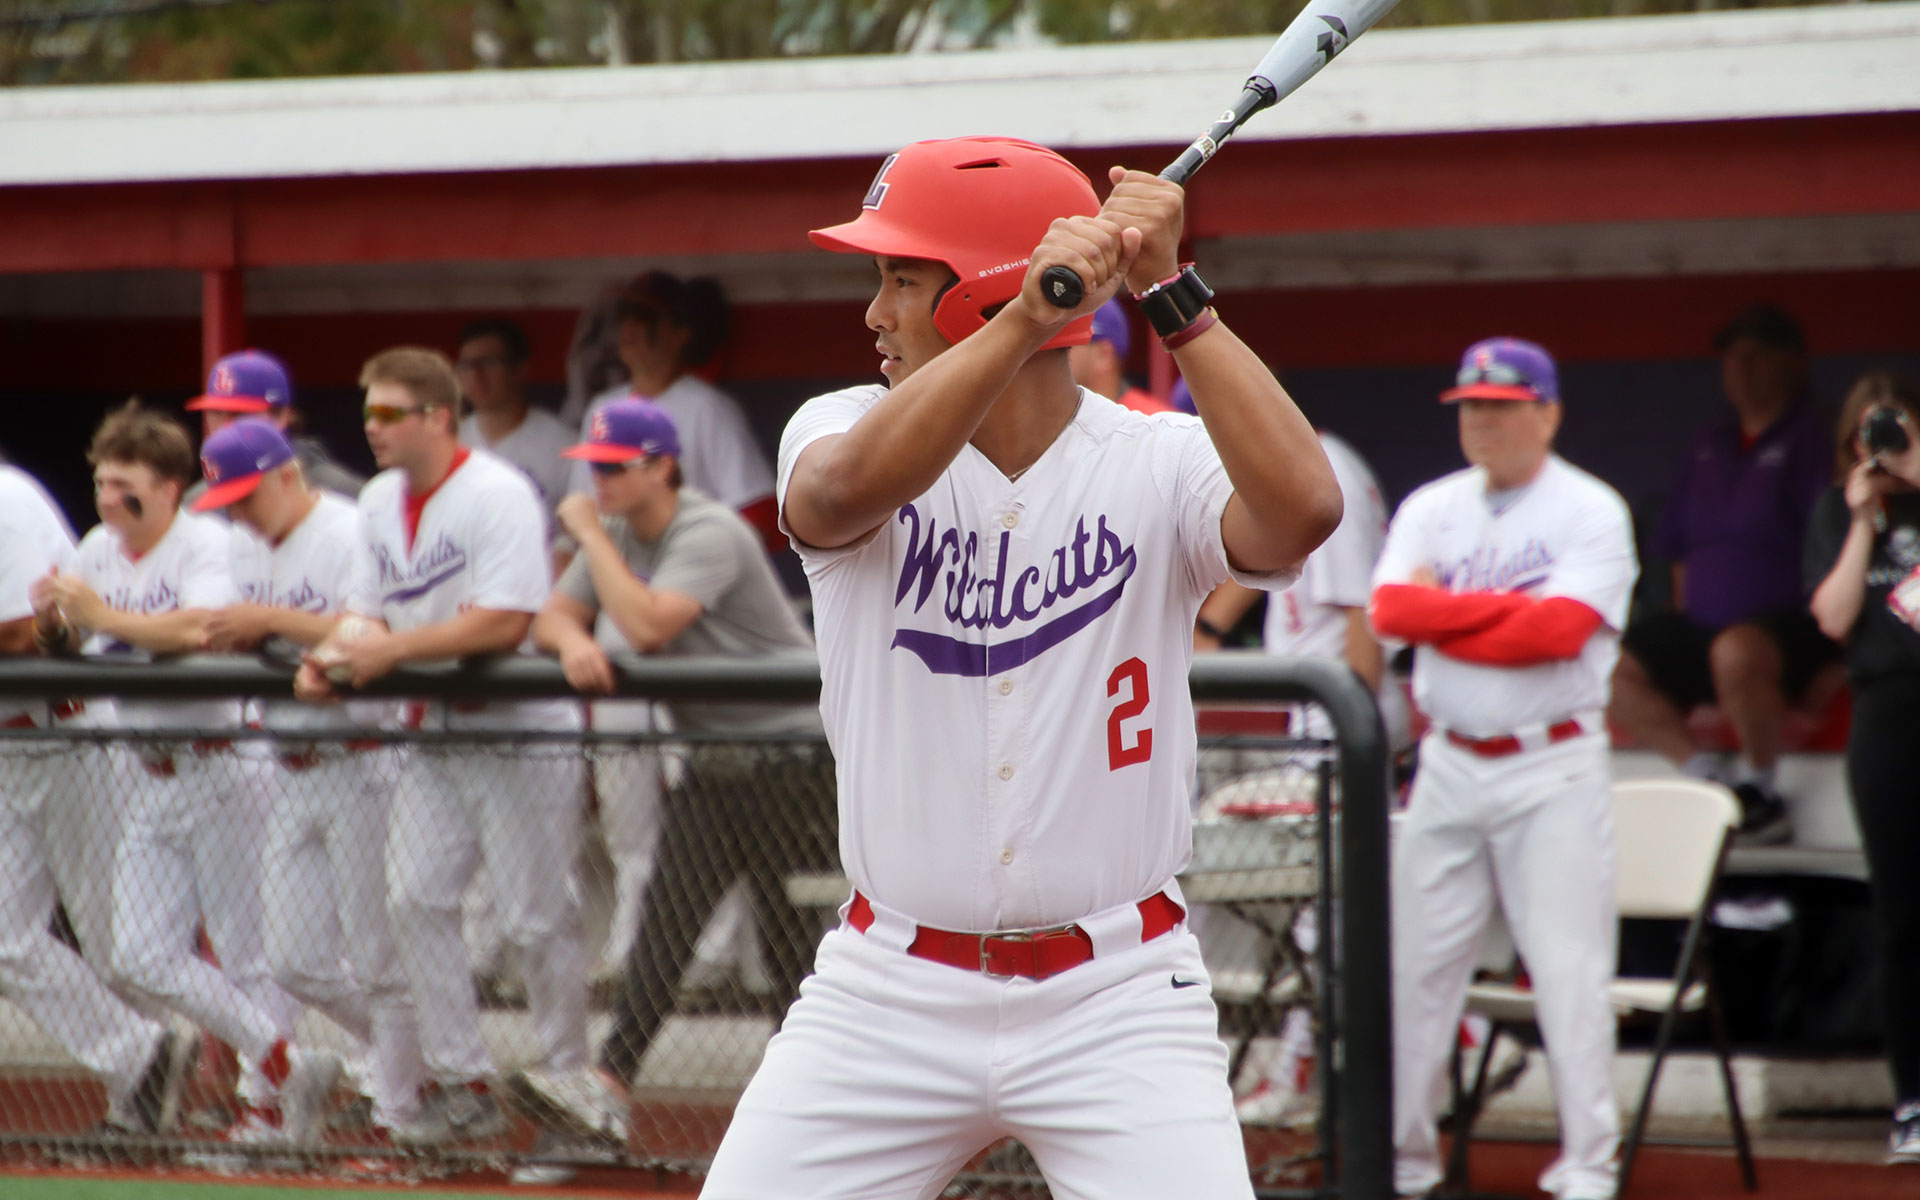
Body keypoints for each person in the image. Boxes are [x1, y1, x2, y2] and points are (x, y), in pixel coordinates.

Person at [701, 135, 1341, 1198]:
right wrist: (1028, 317)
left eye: (902, 278)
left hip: (1120, 995)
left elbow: (1300, 515)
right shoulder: (843, 423)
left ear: (976, 290)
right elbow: (838, 496)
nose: (875, 312)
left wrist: (1174, 292)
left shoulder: (1157, 458)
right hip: (887, 991)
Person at [294, 347, 596, 1147]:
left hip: (517, 732)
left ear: (438, 416)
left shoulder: (497, 490)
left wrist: (386, 653)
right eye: (367, 414)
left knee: (536, 921)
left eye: (389, 413)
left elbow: (504, 621)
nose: (372, 428)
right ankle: (464, 1080)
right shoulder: (380, 499)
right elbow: (366, 612)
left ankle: (574, 1088)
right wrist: (330, 658)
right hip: (434, 732)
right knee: (413, 902)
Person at [525, 400, 832, 1168]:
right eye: (593, 467)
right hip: (716, 762)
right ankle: (607, 1088)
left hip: (793, 764)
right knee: (664, 930)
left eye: (613, 468)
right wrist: (571, 640)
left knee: (793, 954)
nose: (597, 481)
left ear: (661, 466)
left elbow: (652, 623)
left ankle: (810, 1114)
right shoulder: (621, 532)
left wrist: (590, 537)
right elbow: (551, 618)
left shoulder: (706, 527)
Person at [1368, 337, 1637, 1200]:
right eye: (1470, 405)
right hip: (1447, 763)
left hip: (1550, 765)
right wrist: (1495, 613)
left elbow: (1557, 634)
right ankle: (1405, 1162)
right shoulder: (1431, 504)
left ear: (1546, 412)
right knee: (1414, 969)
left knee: (1567, 970)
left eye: (1502, 405)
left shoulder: (1590, 508)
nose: (1481, 420)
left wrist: (1444, 614)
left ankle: (1589, 1165)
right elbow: (1389, 612)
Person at [31, 402, 340, 1150]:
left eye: (126, 486)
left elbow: (199, 629)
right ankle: (291, 1063)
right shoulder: (101, 546)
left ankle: (269, 1109)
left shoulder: (208, 540)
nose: (109, 501)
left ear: (171, 488)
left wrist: (102, 615)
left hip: (226, 759)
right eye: (102, 484)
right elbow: (70, 632)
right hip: (152, 769)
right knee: (138, 953)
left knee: (244, 950)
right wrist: (58, 625)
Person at [194, 418, 429, 1141]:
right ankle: (423, 1059)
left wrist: (270, 621)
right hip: (292, 761)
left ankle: (401, 1107)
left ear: (288, 475)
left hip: (363, 758)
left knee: (375, 951)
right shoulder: (239, 542)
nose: (236, 511)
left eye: (246, 495)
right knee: (294, 960)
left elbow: (365, 630)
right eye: (226, 499)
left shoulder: (346, 529)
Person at [1191, 427, 1407, 1128]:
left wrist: (1356, 738)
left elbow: (1362, 615)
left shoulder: (1321, 466)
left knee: (1329, 920)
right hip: (1317, 724)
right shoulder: (1281, 470)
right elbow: (1251, 569)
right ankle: (1303, 1067)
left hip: (1342, 722)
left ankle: (1302, 1071)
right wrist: (1212, 631)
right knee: (1324, 918)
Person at [6, 461, 190, 1141]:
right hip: (13, 744)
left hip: (68, 732)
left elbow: (28, 632)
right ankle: (140, 1058)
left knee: (113, 934)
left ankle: (188, 1100)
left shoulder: (8, 499)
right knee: (5, 938)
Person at [1608, 304, 1835, 844]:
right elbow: (1677, 548)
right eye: (1732, 358)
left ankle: (1760, 787)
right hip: (1706, 625)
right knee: (1602, 665)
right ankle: (1707, 779)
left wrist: (1838, 650)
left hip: (1790, 630)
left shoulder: (1814, 439)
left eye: (1757, 357)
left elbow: (1836, 544)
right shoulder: (1710, 442)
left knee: (1735, 650)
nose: (1741, 369)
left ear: (1793, 364)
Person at [1805, 371, 1920, 1167]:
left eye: (1897, 430)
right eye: (1869, 433)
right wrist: (1861, 521)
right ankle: (1913, 1092)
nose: (1881, 448)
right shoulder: (1839, 510)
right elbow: (1834, 617)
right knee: (1903, 913)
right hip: (1887, 715)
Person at [565, 271, 781, 552]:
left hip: (684, 568)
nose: (629, 328)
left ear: (680, 334)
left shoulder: (707, 407)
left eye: (644, 319)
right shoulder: (602, 408)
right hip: (620, 571)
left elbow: (758, 512)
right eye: (624, 317)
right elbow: (581, 507)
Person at [183, 348, 366, 503]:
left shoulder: (341, 492)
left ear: (282, 416)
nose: (226, 426)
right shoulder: (196, 502)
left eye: (239, 414)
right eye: (216, 413)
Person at [455, 318, 574, 529]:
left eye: (489, 363)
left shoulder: (561, 443)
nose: (476, 375)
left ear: (520, 369)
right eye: (467, 366)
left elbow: (579, 524)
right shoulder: (449, 440)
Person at [1068, 298, 1172, 414]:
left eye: (1066, 345)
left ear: (1104, 355)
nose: (1049, 353)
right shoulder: (1056, 420)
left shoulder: (1150, 423)